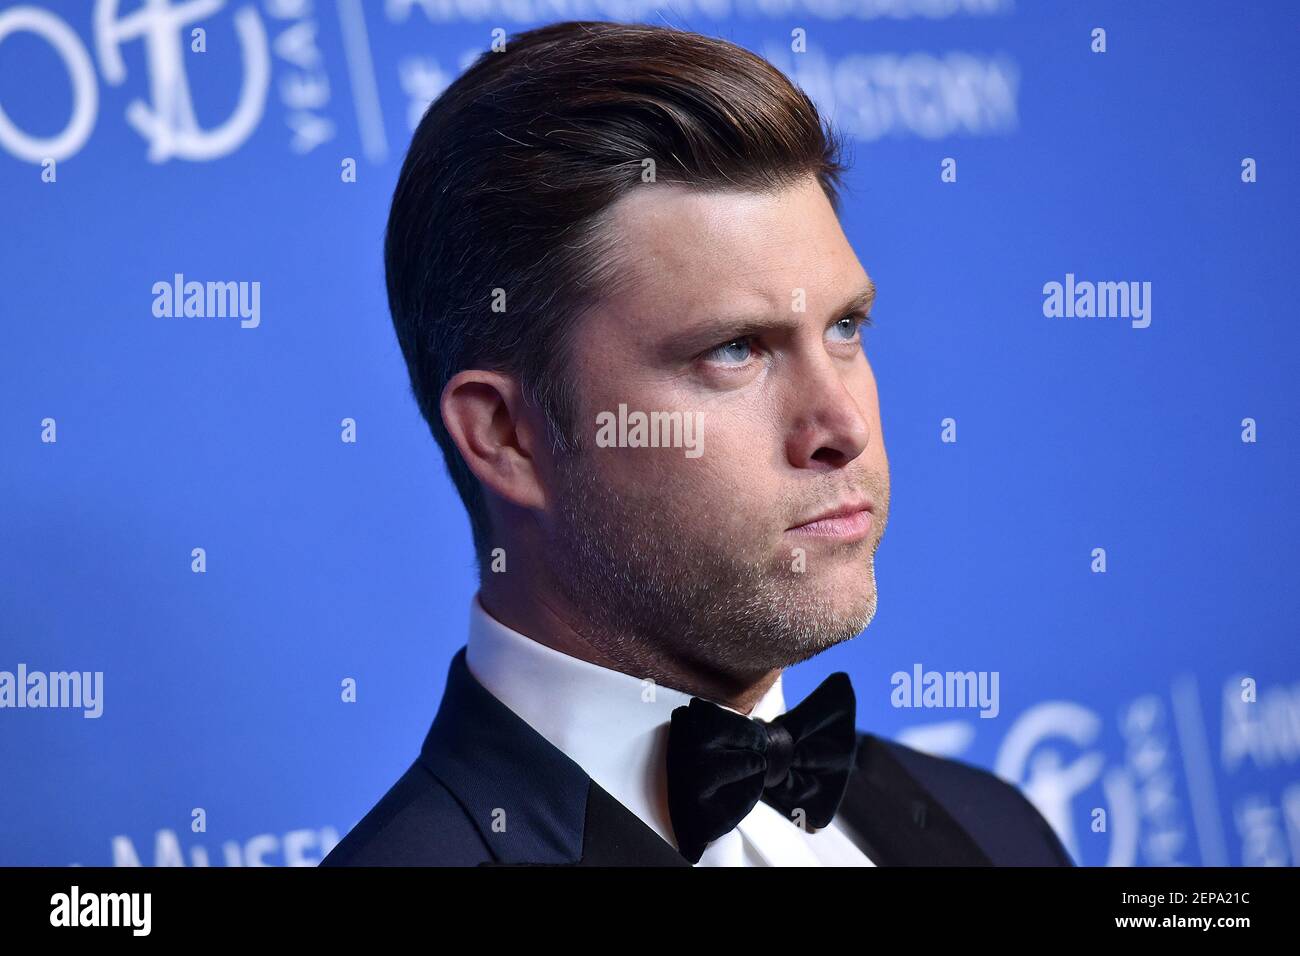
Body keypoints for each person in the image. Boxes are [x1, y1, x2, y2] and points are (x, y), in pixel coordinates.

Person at [321, 20, 1074, 867]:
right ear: (507, 436)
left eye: (845, 327)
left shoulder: (997, 829)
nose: (842, 428)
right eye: (734, 350)